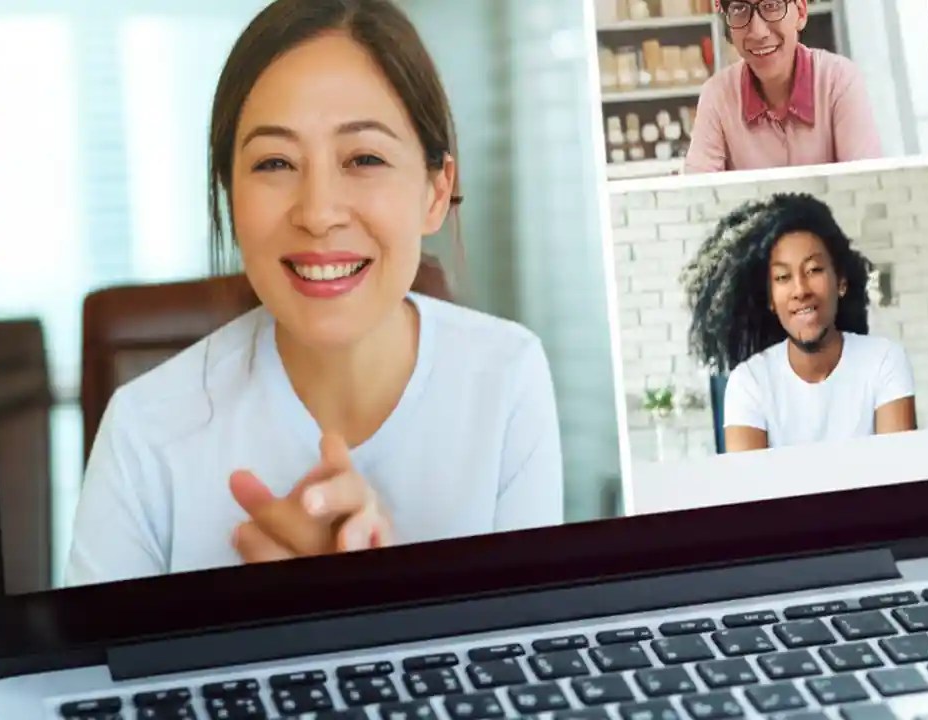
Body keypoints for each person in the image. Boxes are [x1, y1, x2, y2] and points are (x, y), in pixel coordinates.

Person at [64, 0, 564, 586]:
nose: (319, 212)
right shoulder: (143, 431)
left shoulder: (506, 377)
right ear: (230, 194)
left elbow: (521, 655)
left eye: (364, 158)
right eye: (275, 162)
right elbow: (95, 676)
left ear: (435, 191)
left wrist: (376, 599)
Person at [681, 193, 915, 452]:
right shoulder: (749, 383)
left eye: (814, 270)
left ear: (841, 281)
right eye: (782, 277)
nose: (800, 290)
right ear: (770, 299)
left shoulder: (884, 361)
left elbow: (899, 475)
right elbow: (750, 489)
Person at [683, 0, 881, 174]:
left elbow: (865, 188)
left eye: (772, 6)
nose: (758, 32)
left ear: (801, 12)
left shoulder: (838, 81)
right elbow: (698, 196)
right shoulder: (718, 95)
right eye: (739, 9)